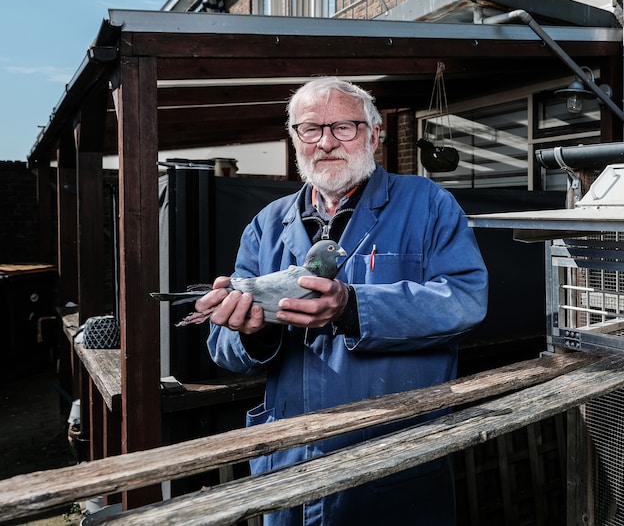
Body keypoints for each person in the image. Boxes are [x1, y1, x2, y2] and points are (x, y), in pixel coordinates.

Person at [198, 76, 488, 525]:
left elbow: (465, 300)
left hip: (393, 450)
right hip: (290, 460)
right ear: (295, 139)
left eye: (343, 127)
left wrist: (352, 307)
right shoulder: (267, 225)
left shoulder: (428, 204)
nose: (326, 142)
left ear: (374, 135)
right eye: (310, 129)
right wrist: (251, 333)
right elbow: (223, 349)